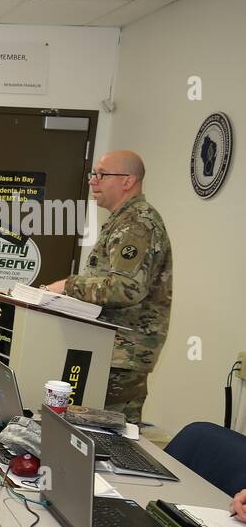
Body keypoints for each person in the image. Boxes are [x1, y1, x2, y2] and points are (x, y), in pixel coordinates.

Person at [43, 150, 171, 425]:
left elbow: (126, 288)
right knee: (92, 433)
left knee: (112, 438)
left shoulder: (138, 223)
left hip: (123, 355)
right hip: (107, 348)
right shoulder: (122, 219)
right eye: (93, 174)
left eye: (102, 174)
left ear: (128, 181)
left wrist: (68, 286)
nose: (93, 181)